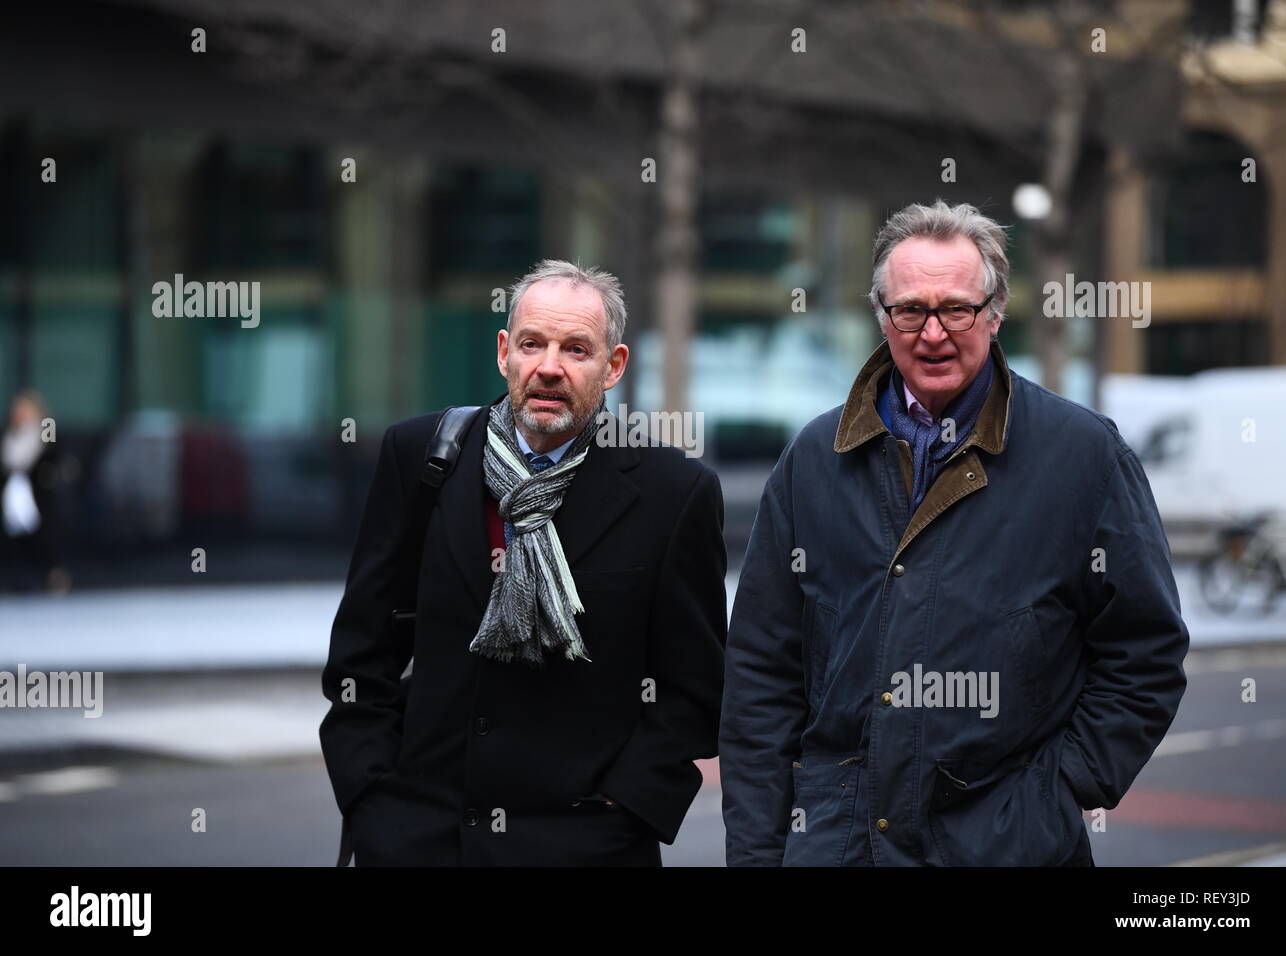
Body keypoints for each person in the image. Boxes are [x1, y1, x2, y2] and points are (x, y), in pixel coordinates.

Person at [720, 200, 1189, 866]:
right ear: (882, 316)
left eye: (956, 309)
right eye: (910, 309)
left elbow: (1146, 653)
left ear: (995, 313)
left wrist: (1054, 793)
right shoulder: (814, 460)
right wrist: (761, 854)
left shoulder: (1083, 456)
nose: (933, 332)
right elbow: (762, 680)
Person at [320, 259, 726, 866]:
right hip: (424, 840)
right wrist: (373, 798)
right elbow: (363, 652)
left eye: (576, 349)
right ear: (504, 352)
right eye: (532, 344)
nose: (549, 367)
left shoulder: (673, 492)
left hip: (583, 846)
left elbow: (694, 689)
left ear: (613, 366)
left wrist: (626, 809)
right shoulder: (422, 458)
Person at [1, 390, 69, 593]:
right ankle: (19, 578)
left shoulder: (46, 426)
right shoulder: (10, 431)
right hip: (14, 491)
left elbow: (51, 452)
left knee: (45, 535)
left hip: (40, 492)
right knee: (15, 535)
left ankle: (54, 576)